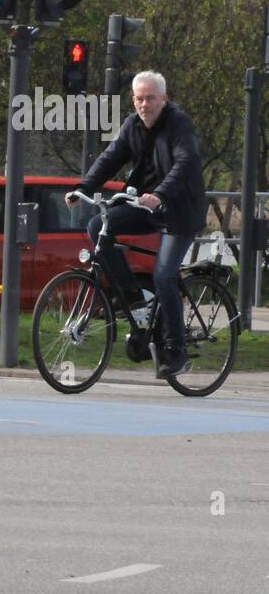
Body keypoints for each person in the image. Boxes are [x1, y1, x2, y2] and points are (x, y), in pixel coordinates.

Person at [67, 71, 205, 378]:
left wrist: (159, 194)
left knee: (164, 275)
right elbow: (110, 157)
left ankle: (176, 350)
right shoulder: (133, 125)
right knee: (97, 227)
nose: (145, 104)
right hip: (146, 204)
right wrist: (84, 188)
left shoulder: (179, 124)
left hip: (180, 209)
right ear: (133, 100)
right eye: (139, 99)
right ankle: (131, 297)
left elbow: (185, 163)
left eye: (151, 98)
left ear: (164, 99)